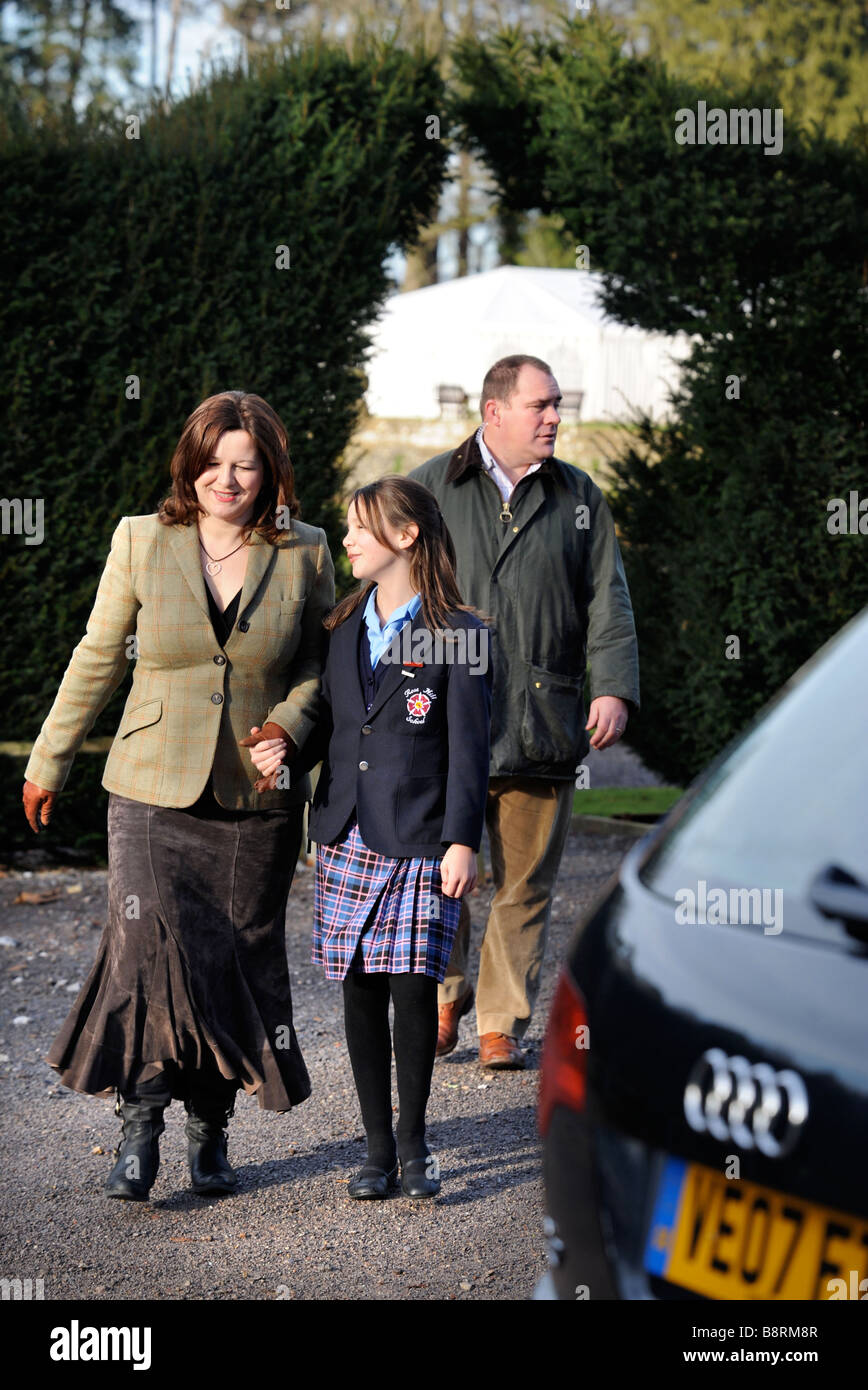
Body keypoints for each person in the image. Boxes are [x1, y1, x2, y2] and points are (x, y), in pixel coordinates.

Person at [22, 390, 334, 1201]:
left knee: (233, 957)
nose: (226, 478)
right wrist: (49, 758)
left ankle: (210, 1134)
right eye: (213, 461)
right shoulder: (141, 540)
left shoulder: (306, 550)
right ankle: (140, 1127)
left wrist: (293, 725)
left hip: (256, 795)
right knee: (149, 949)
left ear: (270, 473)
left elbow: (319, 666)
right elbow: (98, 654)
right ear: (189, 462)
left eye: (246, 464)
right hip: (151, 785)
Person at [250, 477, 492, 1199]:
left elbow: (472, 749)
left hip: (423, 838)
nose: (347, 539)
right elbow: (330, 718)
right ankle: (377, 1151)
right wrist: (287, 747)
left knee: (414, 988)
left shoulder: (464, 634)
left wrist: (462, 841)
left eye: (360, 528)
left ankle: (417, 1147)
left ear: (407, 535)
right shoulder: (345, 625)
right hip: (345, 830)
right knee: (359, 989)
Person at [408, 355, 640, 1070]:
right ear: (494, 412)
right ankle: (445, 995)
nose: (554, 418)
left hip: (544, 714)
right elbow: (388, 593)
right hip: (447, 718)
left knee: (525, 880)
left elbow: (609, 597)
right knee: (435, 870)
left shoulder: (579, 494)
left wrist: (613, 687)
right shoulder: (426, 488)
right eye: (540, 405)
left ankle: (501, 1021)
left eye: (557, 405)